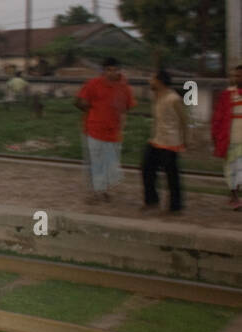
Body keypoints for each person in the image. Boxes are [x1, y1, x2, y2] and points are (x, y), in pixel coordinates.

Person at [75, 57, 135, 203]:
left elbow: (126, 109)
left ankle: (103, 191)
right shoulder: (93, 84)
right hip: (94, 129)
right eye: (108, 70)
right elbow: (79, 101)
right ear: (103, 70)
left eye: (115, 70)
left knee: (109, 164)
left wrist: (122, 127)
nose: (112, 73)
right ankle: (95, 193)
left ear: (119, 70)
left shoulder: (124, 88)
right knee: (95, 163)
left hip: (113, 131)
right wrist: (92, 111)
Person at [142, 70, 187, 214]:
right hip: (156, 140)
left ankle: (175, 206)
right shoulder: (156, 96)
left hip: (170, 142)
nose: (150, 81)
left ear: (160, 81)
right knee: (146, 169)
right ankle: (151, 200)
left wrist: (186, 140)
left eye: (152, 79)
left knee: (172, 175)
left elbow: (184, 120)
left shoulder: (173, 98)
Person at [212, 63, 242, 210]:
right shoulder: (227, 94)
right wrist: (215, 135)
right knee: (231, 169)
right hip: (229, 138)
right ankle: (235, 198)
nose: (237, 78)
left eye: (239, 75)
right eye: (235, 75)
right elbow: (218, 116)